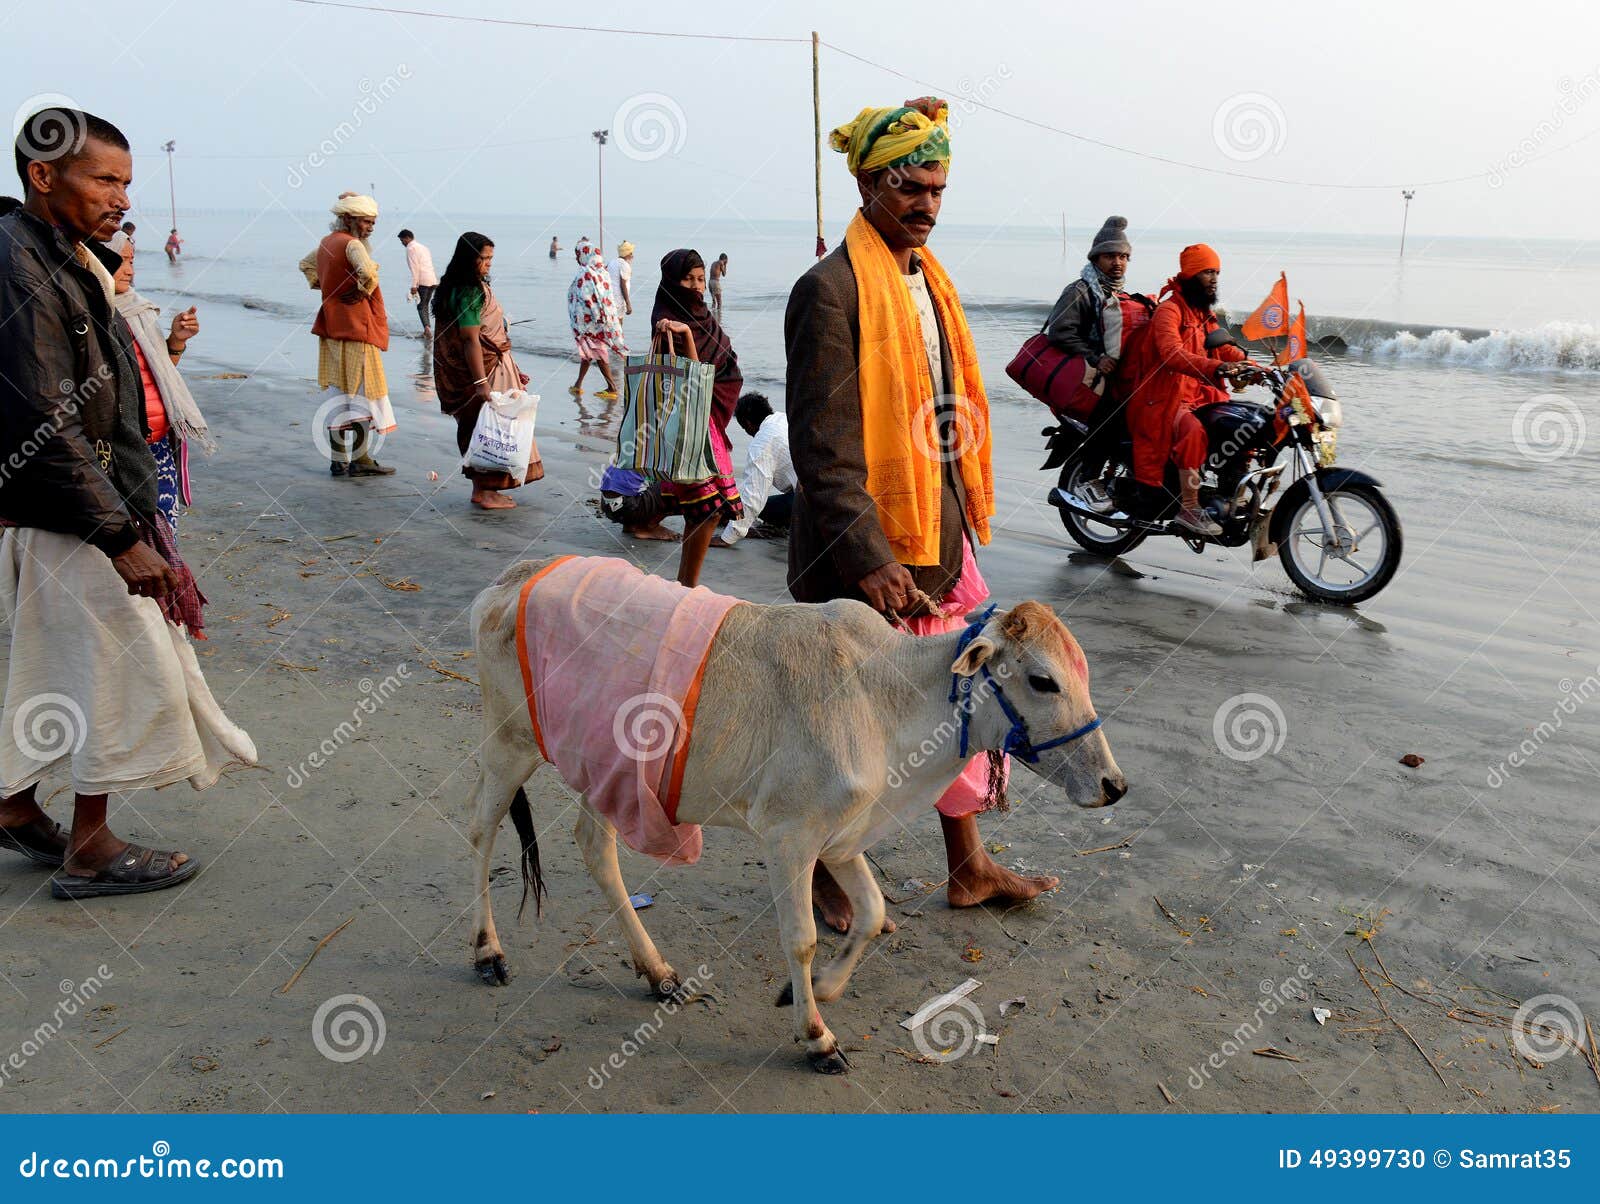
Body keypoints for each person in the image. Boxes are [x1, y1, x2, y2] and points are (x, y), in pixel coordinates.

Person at [786, 96, 1057, 932]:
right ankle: (819, 872)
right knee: (846, 725)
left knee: (961, 694)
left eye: (938, 188)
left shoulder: (925, 283)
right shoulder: (827, 291)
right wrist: (867, 552)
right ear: (868, 182)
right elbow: (823, 444)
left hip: (938, 527)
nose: (928, 204)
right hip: (858, 542)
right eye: (910, 186)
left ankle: (968, 867)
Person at [0, 106, 255, 898]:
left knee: (59, 667)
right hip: (72, 512)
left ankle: (11, 806)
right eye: (105, 179)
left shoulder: (54, 252)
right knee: (121, 668)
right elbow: (44, 415)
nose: (121, 198)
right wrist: (120, 536)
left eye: (127, 184)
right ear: (44, 175)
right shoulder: (24, 264)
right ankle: (91, 847)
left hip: (69, 509)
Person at [1124, 243, 1251, 537]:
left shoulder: (1203, 314)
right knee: (1193, 432)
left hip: (1197, 394)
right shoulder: (1170, 311)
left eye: (1217, 272)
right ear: (1191, 274)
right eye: (1207, 272)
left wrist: (1254, 365)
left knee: (1243, 423)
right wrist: (1214, 368)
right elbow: (1171, 353)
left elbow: (1224, 348)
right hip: (1162, 397)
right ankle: (1189, 509)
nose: (1214, 278)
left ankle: (1234, 492)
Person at [111, 237, 215, 539]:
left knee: (164, 536)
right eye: (121, 260)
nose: (129, 270)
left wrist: (176, 341)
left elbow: (159, 374)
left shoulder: (139, 310)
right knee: (131, 542)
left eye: (132, 261)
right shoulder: (88, 313)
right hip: (122, 451)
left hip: (159, 445)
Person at [432, 232, 542, 511]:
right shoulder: (469, 291)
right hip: (484, 370)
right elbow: (470, 339)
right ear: (470, 258)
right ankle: (484, 491)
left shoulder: (455, 286)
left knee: (481, 427)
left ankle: (484, 489)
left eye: (491, 258)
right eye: (484, 258)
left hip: (486, 364)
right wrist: (481, 382)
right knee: (492, 428)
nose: (489, 263)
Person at [652, 248, 743, 586]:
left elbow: (722, 359)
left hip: (705, 421)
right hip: (688, 422)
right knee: (705, 506)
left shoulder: (700, 313)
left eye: (701, 279)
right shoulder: (667, 318)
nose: (696, 286)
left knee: (706, 507)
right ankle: (685, 585)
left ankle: (685, 584)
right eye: (688, 279)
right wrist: (687, 336)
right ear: (672, 282)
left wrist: (692, 332)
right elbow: (694, 375)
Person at [298, 192, 396, 477]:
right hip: (356, 329)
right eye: (367, 222)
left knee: (339, 392)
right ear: (349, 219)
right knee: (364, 393)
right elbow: (368, 273)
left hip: (331, 326)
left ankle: (339, 460)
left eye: (373, 222)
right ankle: (361, 460)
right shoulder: (353, 245)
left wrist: (328, 288)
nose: (371, 227)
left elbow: (305, 265)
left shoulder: (326, 242)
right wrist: (359, 291)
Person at [1044, 214, 1135, 380]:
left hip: (1105, 378)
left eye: (1122, 257)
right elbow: (1059, 334)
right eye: (1109, 256)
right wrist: (1095, 358)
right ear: (1095, 259)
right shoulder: (1079, 292)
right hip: (1079, 379)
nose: (1117, 263)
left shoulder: (1118, 293)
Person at [715, 392, 793, 546]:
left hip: (809, 503)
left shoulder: (762, 443)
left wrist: (729, 537)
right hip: (826, 492)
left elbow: (753, 497)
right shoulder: (784, 419)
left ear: (748, 424)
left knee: (753, 507)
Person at [567, 236, 625, 400]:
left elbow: (586, 296)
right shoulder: (602, 271)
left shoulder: (586, 273)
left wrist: (593, 317)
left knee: (597, 352)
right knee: (588, 353)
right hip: (603, 319)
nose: (577, 258)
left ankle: (612, 387)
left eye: (578, 254)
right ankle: (578, 384)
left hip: (590, 322)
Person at [397, 228, 438, 337]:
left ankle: (427, 330)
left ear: (407, 238)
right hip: (432, 280)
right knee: (425, 305)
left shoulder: (411, 248)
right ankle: (427, 329)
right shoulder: (424, 247)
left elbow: (415, 268)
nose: (402, 243)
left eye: (402, 241)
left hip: (423, 281)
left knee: (420, 306)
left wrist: (414, 285)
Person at [607, 240, 635, 315]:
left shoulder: (611, 262)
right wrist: (628, 303)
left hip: (609, 297)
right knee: (619, 322)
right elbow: (623, 285)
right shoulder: (624, 265)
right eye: (631, 253)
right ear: (627, 254)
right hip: (618, 299)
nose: (632, 256)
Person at [708, 252, 728, 321]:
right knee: (719, 302)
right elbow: (724, 274)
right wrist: (725, 265)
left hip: (710, 282)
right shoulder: (721, 263)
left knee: (714, 301)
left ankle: (713, 315)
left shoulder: (714, 263)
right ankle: (719, 318)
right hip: (715, 282)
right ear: (725, 259)